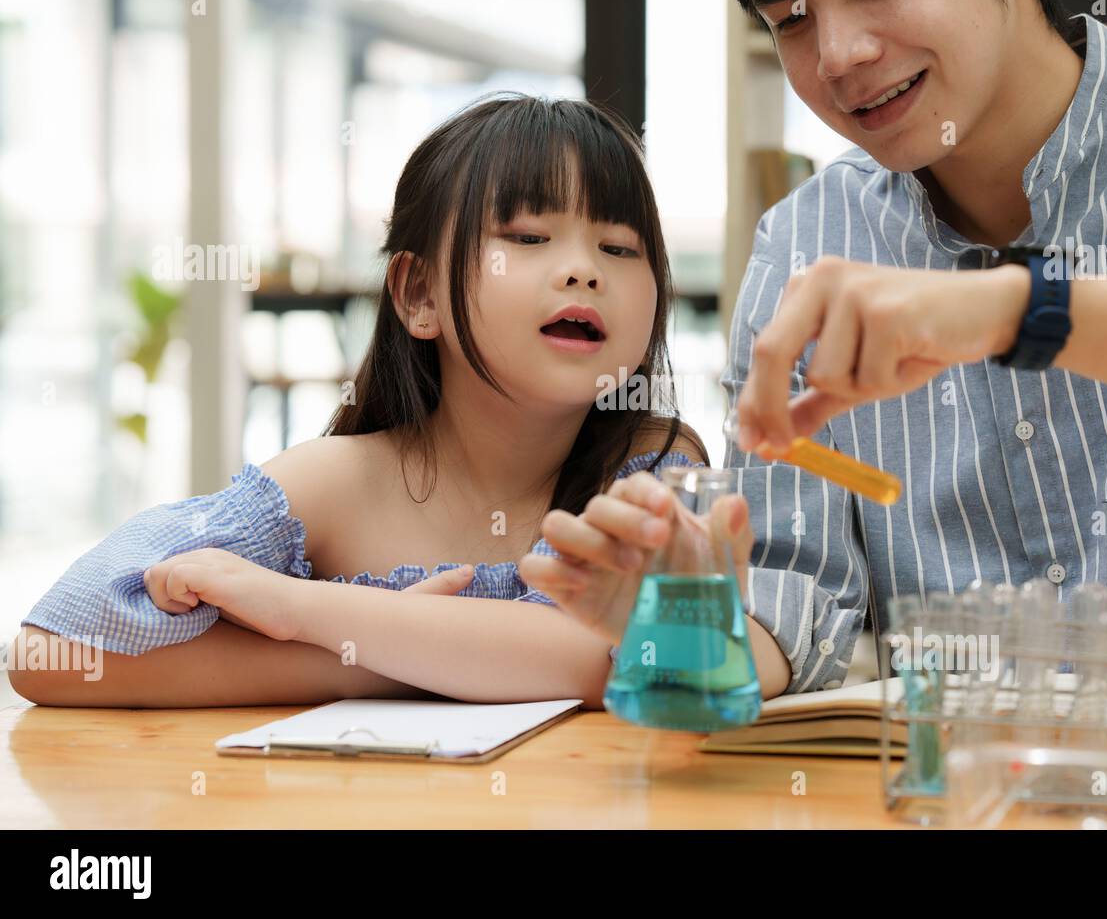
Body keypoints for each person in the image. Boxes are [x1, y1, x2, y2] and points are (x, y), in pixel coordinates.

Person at [527, 0, 1107, 696]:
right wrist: (676, 628)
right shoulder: (806, 244)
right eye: (789, 18)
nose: (838, 55)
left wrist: (1007, 309)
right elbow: (793, 606)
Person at [9, 95, 790, 708]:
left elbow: (595, 657)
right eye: (525, 238)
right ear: (420, 293)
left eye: (620, 249)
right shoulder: (340, 480)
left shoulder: (651, 460)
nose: (584, 270)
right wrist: (361, 666)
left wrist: (308, 613)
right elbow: (53, 650)